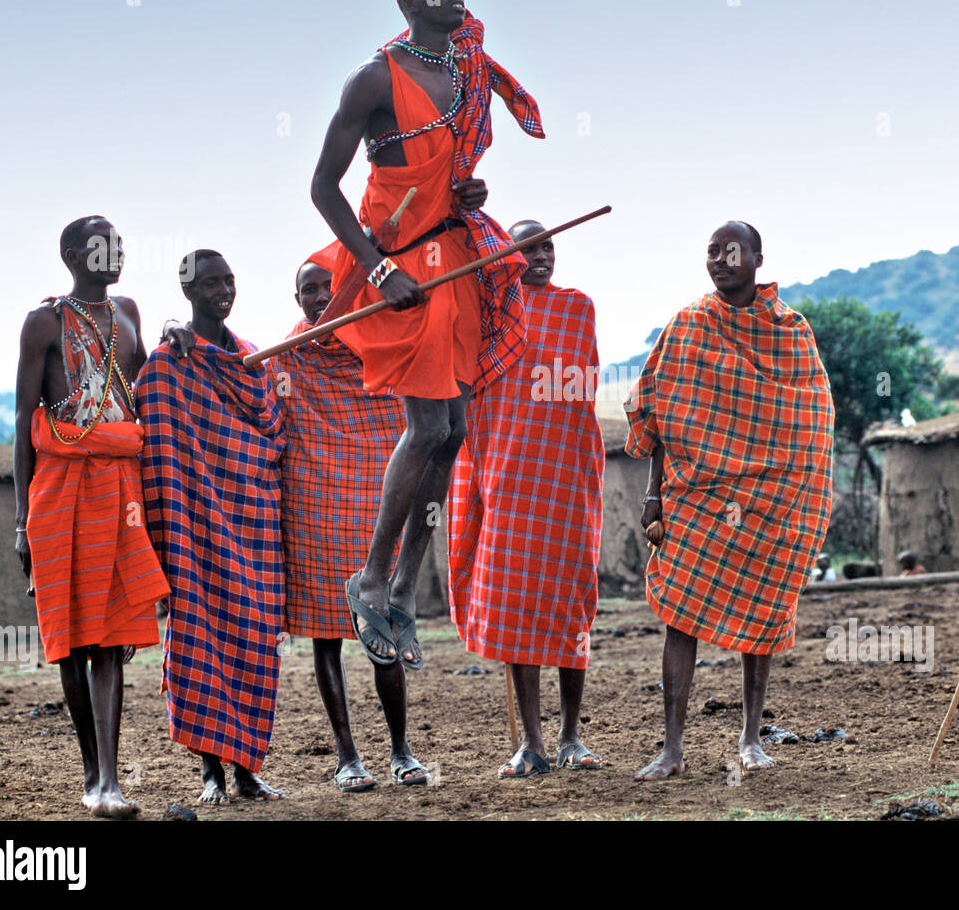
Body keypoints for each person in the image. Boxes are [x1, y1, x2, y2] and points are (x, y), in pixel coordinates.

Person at [309, 0, 543, 677]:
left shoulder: (469, 75)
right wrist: (379, 268)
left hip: (451, 255)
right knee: (427, 426)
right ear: (410, 2)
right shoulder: (374, 79)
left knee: (456, 430)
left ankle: (407, 585)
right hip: (395, 264)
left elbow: (450, 172)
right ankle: (370, 577)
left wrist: (469, 192)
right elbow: (323, 189)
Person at [626, 221, 835, 780]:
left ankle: (750, 738)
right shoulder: (688, 326)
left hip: (767, 499)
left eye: (732, 251)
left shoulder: (790, 332)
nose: (719, 260)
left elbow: (811, 421)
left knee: (763, 614)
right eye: (712, 252)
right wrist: (653, 497)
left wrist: (795, 493)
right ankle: (671, 747)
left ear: (759, 260)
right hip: (695, 495)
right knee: (679, 616)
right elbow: (658, 415)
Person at [13, 215, 169, 818]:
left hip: (121, 490)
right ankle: (90, 772)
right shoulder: (43, 323)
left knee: (112, 638)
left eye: (122, 244)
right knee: (72, 640)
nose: (118, 253)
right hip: (57, 492)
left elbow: (152, 388)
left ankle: (111, 780)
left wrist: (178, 337)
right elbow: (24, 423)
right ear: (74, 255)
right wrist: (21, 522)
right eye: (104, 246)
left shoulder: (129, 312)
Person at [448, 220, 605, 778]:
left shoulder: (577, 308)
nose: (540, 256)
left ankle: (571, 736)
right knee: (515, 604)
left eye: (548, 247)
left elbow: (578, 394)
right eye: (527, 248)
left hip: (566, 474)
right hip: (506, 474)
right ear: (506, 257)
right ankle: (532, 743)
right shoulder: (490, 312)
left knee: (571, 603)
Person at [269, 249, 427, 788]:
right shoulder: (286, 357)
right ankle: (346, 756)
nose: (319, 298)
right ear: (296, 300)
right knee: (323, 637)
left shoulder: (378, 342)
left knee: (378, 620)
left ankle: (402, 750)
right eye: (308, 290)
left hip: (371, 505)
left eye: (327, 287)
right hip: (314, 507)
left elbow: (409, 414)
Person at [138, 250, 286, 804]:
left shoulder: (249, 358)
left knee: (253, 641)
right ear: (188, 291)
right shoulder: (167, 364)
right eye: (210, 284)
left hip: (253, 523)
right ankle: (210, 774)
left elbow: (271, 429)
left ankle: (247, 769)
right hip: (195, 530)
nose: (223, 291)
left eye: (229, 281)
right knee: (200, 639)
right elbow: (157, 438)